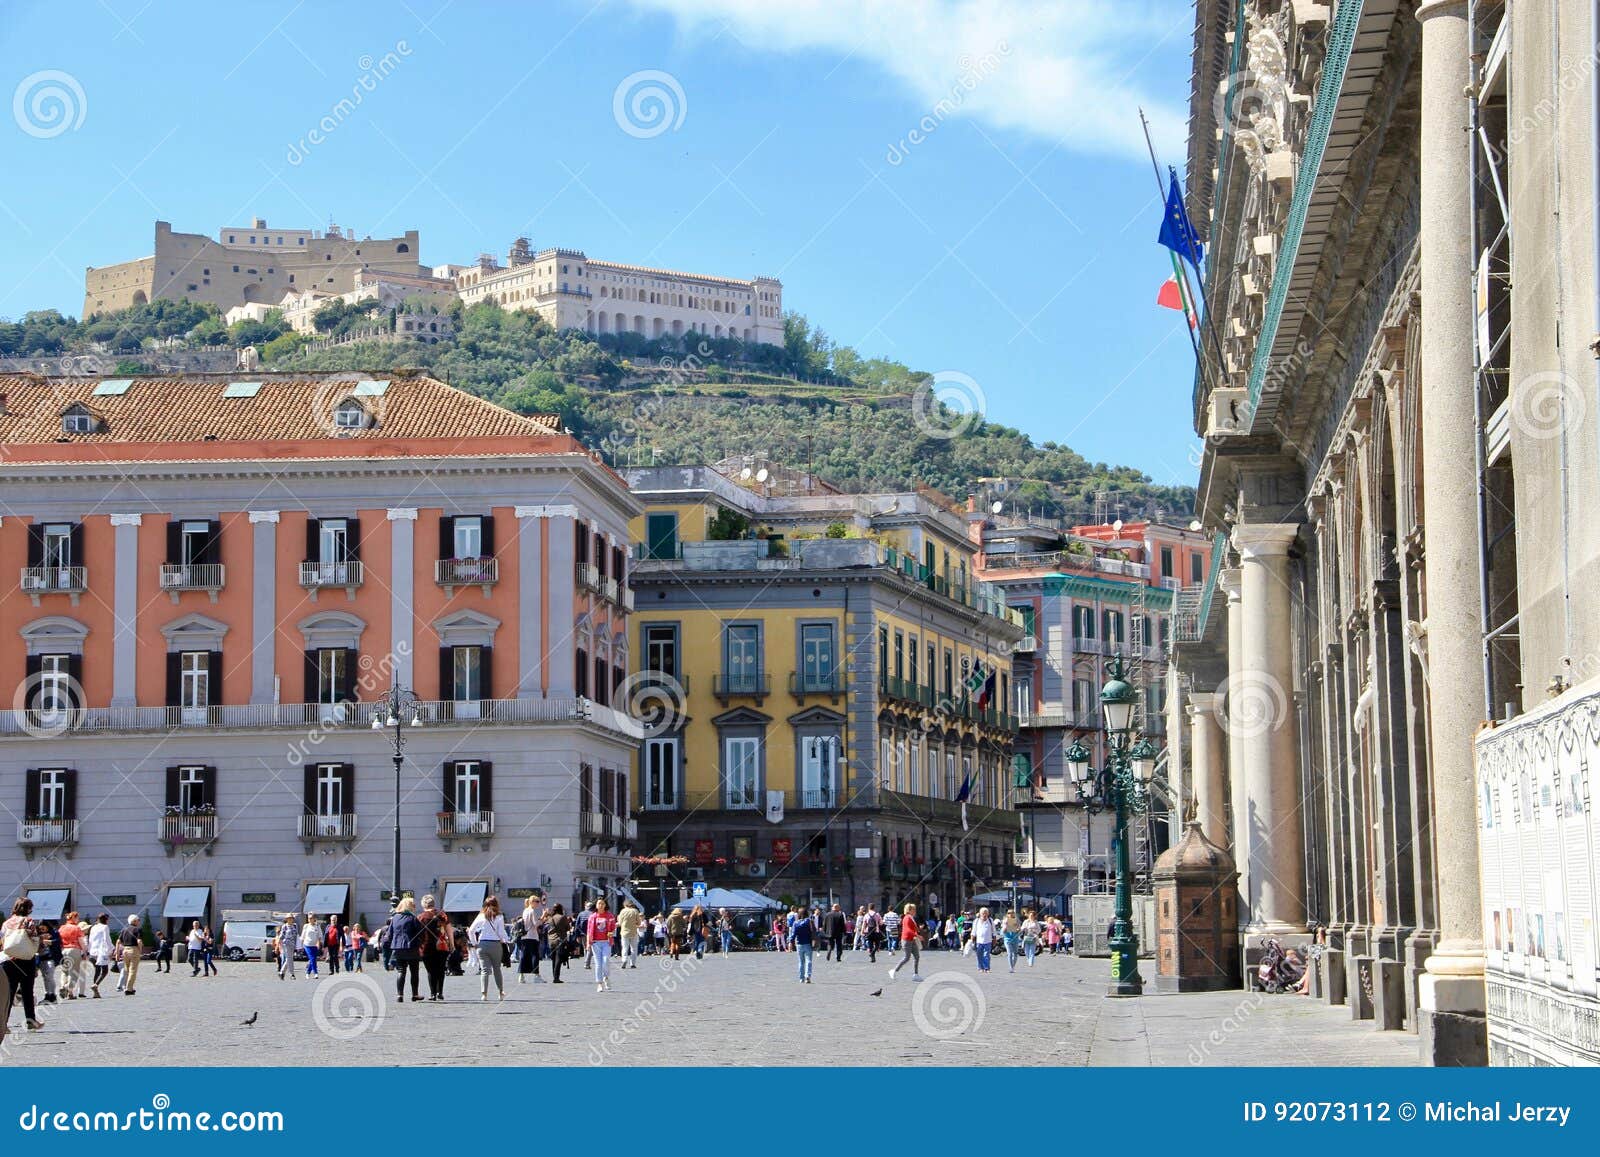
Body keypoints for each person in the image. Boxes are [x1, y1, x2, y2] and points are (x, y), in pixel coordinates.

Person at [2, 898, 44, 1030]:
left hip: (9, 960)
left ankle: (3, 1024)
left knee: (8, 994)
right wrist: (41, 943)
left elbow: (2, 940)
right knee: (27, 992)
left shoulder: (7, 922)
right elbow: (34, 937)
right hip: (26, 960)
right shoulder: (28, 921)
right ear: (28, 909)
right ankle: (30, 1021)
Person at [469, 895, 509, 1002]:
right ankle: (500, 992)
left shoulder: (481, 916)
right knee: (497, 969)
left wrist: (475, 943)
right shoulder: (499, 917)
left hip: (482, 944)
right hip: (495, 944)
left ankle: (484, 994)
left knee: (485, 971)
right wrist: (506, 940)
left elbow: (471, 930)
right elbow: (501, 932)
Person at [387, 897, 424, 1002]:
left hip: (398, 948)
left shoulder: (395, 918)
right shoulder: (413, 918)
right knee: (414, 971)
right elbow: (420, 933)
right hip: (412, 947)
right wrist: (420, 943)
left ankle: (400, 995)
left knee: (401, 970)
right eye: (413, 905)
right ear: (409, 906)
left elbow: (389, 934)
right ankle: (415, 994)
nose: (415, 907)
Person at [417, 896, 452, 1002]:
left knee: (431, 971)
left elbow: (418, 934)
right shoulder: (442, 915)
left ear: (423, 905)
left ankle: (433, 994)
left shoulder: (420, 917)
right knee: (441, 969)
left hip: (426, 947)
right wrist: (452, 944)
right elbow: (449, 930)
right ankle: (440, 992)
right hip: (442, 945)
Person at [887, 903, 922, 981]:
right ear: (909, 910)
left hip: (912, 939)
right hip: (906, 940)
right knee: (907, 957)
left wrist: (917, 932)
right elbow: (908, 930)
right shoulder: (907, 918)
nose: (915, 911)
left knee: (917, 956)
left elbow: (912, 929)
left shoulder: (911, 917)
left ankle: (915, 974)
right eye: (914, 909)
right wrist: (918, 935)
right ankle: (893, 971)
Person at [588, 898, 617, 992]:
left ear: (605, 905)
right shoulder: (592, 917)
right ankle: (599, 983)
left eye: (602, 903)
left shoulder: (609, 916)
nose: (600, 905)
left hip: (606, 942)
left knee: (605, 961)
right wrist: (588, 943)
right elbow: (588, 931)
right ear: (596, 905)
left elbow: (613, 928)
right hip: (595, 943)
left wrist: (612, 933)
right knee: (598, 964)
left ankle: (606, 977)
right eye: (599, 903)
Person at [57, 912, 84, 1000]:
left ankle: (68, 991)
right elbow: (81, 942)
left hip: (63, 950)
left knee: (65, 971)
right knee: (74, 972)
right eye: (77, 918)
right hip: (74, 950)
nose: (78, 920)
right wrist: (85, 952)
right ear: (74, 918)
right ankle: (67, 987)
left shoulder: (61, 928)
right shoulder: (76, 928)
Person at [517, 895, 545, 983]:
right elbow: (536, 924)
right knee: (535, 956)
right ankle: (536, 976)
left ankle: (521, 976)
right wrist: (543, 917)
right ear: (532, 902)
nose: (538, 903)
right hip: (532, 936)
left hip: (524, 937)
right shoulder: (532, 911)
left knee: (524, 956)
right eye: (537, 901)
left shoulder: (525, 910)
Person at [115, 914, 143, 995]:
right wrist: (140, 950)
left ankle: (127, 986)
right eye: (138, 920)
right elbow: (139, 941)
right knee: (133, 970)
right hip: (134, 950)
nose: (139, 922)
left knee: (126, 970)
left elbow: (118, 942)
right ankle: (129, 988)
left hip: (125, 950)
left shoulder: (124, 929)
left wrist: (117, 953)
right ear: (134, 921)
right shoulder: (138, 929)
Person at [544, 905, 572, 984]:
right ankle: (556, 978)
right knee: (558, 959)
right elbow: (568, 928)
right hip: (559, 940)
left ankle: (554, 976)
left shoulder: (550, 918)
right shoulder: (562, 917)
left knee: (553, 959)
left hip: (551, 940)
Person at [791, 906, 815, 983]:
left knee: (801, 962)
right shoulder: (809, 921)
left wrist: (790, 942)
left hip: (799, 944)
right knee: (809, 961)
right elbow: (814, 931)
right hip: (808, 943)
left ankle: (801, 978)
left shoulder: (796, 923)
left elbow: (793, 934)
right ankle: (808, 976)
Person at [618, 899, 643, 969]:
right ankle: (632, 963)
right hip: (633, 932)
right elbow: (639, 923)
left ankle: (624, 960)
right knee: (634, 949)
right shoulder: (635, 911)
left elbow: (620, 923)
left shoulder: (622, 911)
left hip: (624, 932)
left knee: (625, 948)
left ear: (625, 905)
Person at [970, 907, 995, 973]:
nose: (984, 915)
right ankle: (980, 968)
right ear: (980, 914)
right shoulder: (976, 921)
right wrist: (972, 940)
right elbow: (973, 931)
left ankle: (987, 968)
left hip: (988, 941)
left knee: (986, 955)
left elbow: (994, 931)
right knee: (979, 955)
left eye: (986, 913)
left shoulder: (990, 920)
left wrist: (994, 939)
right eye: (983, 913)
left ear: (988, 914)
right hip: (979, 941)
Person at [275, 915, 299, 980]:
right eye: (289, 918)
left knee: (289, 959)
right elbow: (282, 935)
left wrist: (297, 945)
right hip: (286, 944)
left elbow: (296, 935)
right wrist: (278, 944)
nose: (290, 920)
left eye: (291, 918)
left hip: (293, 944)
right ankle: (292, 974)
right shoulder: (284, 926)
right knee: (289, 959)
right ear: (287, 919)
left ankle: (281, 972)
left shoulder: (295, 926)